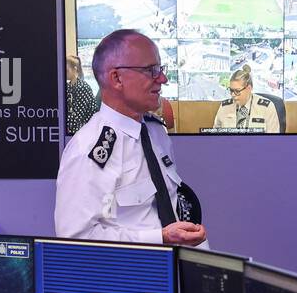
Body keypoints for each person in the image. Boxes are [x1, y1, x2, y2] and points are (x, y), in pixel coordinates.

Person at [55, 29, 207, 247]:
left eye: (160, 69)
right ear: (116, 78)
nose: (162, 78)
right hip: (129, 276)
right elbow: (76, 238)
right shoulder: (89, 149)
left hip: (174, 270)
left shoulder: (156, 133)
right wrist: (159, 238)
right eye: (150, 70)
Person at [212, 64, 280, 133]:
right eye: (231, 90)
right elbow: (215, 136)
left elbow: (273, 140)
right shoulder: (224, 107)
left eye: (237, 91)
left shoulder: (267, 108)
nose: (233, 95)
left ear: (249, 88)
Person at [64, 54, 99, 137]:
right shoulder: (70, 86)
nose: (65, 73)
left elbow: (78, 120)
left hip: (85, 132)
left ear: (75, 69)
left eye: (67, 70)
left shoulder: (82, 88)